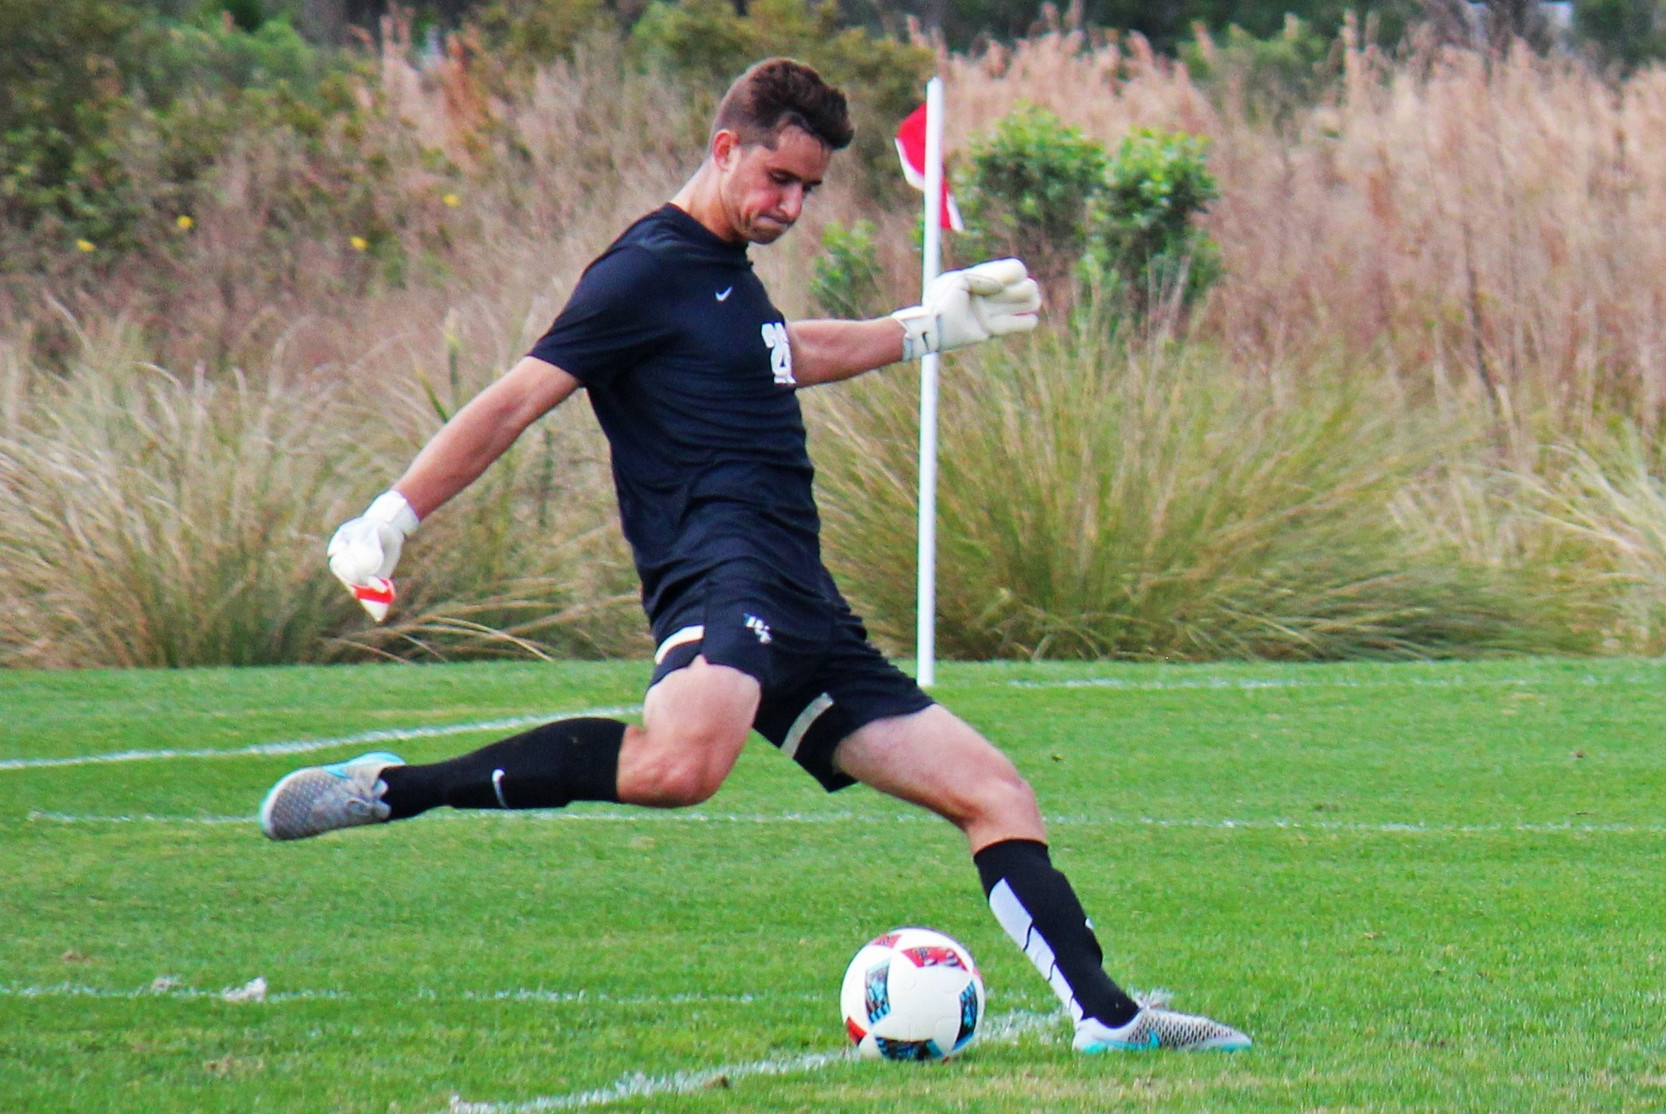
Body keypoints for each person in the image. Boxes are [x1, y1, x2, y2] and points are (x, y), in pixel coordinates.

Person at [258, 58, 1249, 1055]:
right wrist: (392, 515)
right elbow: (516, 398)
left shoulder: (728, 276)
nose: (792, 206)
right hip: (721, 576)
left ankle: (1110, 1021)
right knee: (681, 766)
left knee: (994, 793)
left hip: (804, 605)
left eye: (810, 189)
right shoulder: (643, 271)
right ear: (726, 147)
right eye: (779, 179)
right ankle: (394, 789)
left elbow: (782, 352)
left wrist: (923, 331)